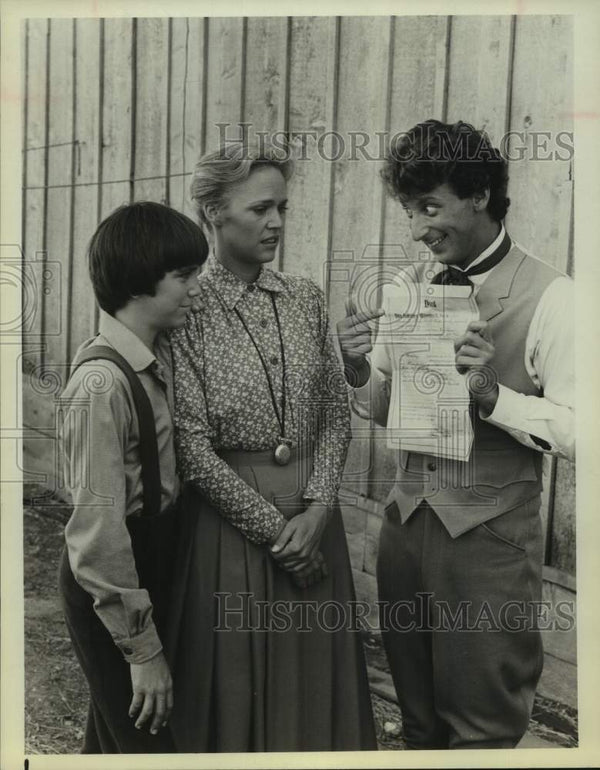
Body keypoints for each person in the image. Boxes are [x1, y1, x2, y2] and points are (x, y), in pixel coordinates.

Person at [337, 119, 574, 749]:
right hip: (405, 528)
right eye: (410, 210)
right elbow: (388, 411)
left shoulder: (556, 298)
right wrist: (357, 369)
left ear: (479, 195)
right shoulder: (405, 287)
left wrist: (491, 394)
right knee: (418, 721)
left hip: (488, 543)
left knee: (482, 730)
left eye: (430, 207)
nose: (416, 228)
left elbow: (581, 432)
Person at [168, 141, 377, 752]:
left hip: (316, 523)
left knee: (315, 690)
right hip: (233, 530)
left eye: (282, 207)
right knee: (238, 685)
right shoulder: (187, 307)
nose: (277, 223)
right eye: (260, 209)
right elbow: (191, 447)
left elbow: (335, 410)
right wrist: (276, 530)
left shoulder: (306, 298)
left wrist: (317, 510)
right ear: (212, 212)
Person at [58, 201, 208, 753]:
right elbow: (97, 535)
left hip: (155, 563)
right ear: (140, 283)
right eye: (184, 276)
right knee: (148, 740)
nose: (198, 287)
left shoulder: (159, 355)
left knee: (112, 739)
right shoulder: (101, 386)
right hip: (113, 585)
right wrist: (142, 652)